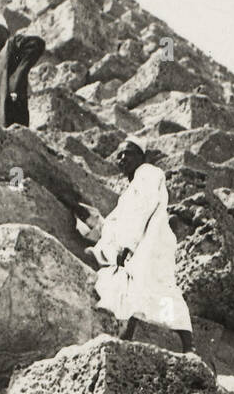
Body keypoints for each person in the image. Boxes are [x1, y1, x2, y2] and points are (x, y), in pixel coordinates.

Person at [82, 140, 194, 353]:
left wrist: (128, 244)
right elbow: (118, 220)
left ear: (142, 158)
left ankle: (189, 346)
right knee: (138, 287)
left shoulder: (148, 173)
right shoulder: (132, 187)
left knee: (162, 290)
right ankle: (130, 333)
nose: (122, 159)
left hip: (153, 242)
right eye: (120, 155)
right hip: (143, 243)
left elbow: (145, 208)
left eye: (129, 154)